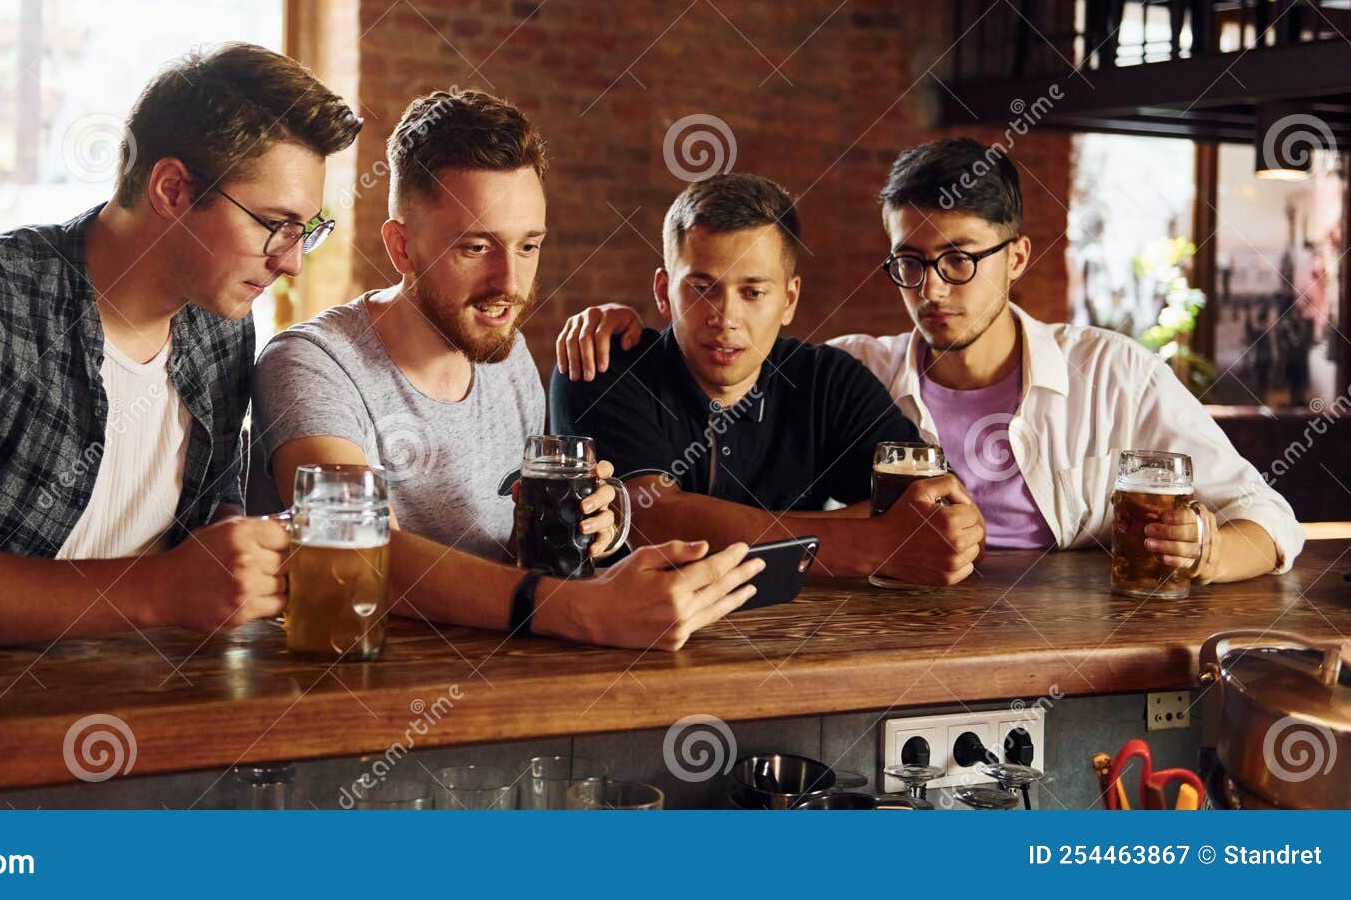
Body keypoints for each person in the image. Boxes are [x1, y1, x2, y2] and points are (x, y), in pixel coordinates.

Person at [0, 44, 361, 645]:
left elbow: (208, 507)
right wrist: (159, 590)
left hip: (156, 704)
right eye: (275, 224)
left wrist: (234, 558)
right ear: (171, 188)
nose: (293, 261)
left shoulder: (222, 324)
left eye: (307, 230)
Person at [559, 140, 1304, 582]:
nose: (931, 288)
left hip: (1081, 648)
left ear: (1016, 256)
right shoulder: (856, 366)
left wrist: (1203, 549)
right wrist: (873, 543)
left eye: (957, 260)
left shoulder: (1114, 373)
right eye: (910, 262)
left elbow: (1270, 517)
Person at [248, 90, 763, 650]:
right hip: (346, 694)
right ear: (400, 247)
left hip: (499, 686)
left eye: (528, 246)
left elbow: (515, 545)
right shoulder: (311, 362)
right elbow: (369, 556)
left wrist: (597, 522)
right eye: (476, 247)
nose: (510, 285)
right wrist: (578, 607)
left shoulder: (507, 354)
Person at [549, 173, 986, 588]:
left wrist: (741, 529)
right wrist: (879, 542)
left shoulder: (827, 380)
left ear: (789, 298)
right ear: (664, 292)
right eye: (702, 288)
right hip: (631, 646)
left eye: (753, 292)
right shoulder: (602, 364)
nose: (726, 319)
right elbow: (650, 521)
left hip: (810, 642)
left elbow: (940, 519)